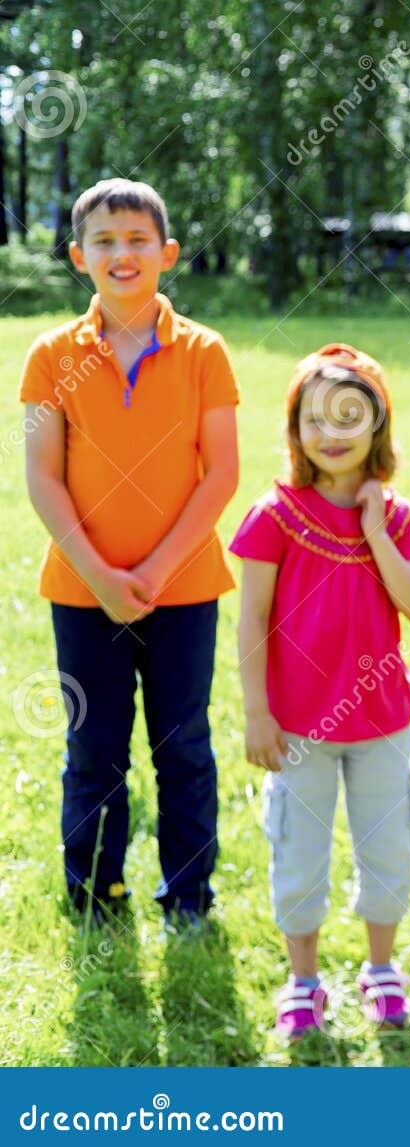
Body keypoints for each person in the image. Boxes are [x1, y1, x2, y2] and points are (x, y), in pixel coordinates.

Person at [20, 178, 239, 933]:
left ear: (167, 253)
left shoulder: (206, 351)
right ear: (80, 256)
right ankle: (93, 893)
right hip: (83, 594)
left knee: (184, 746)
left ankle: (188, 897)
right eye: (105, 242)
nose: (123, 254)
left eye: (138, 240)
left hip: (186, 591)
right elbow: (42, 477)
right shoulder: (51, 356)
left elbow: (223, 473)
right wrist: (103, 576)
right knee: (94, 748)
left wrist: (153, 572)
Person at [232, 344, 410, 1039]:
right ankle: (304, 979)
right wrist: (257, 712)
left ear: (378, 423)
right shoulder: (275, 513)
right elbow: (252, 617)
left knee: (388, 847)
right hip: (296, 729)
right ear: (296, 431)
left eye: (351, 414)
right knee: (298, 850)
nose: (333, 431)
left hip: (380, 725)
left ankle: (381, 968)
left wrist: (375, 530)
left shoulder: (398, 516)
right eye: (315, 418)